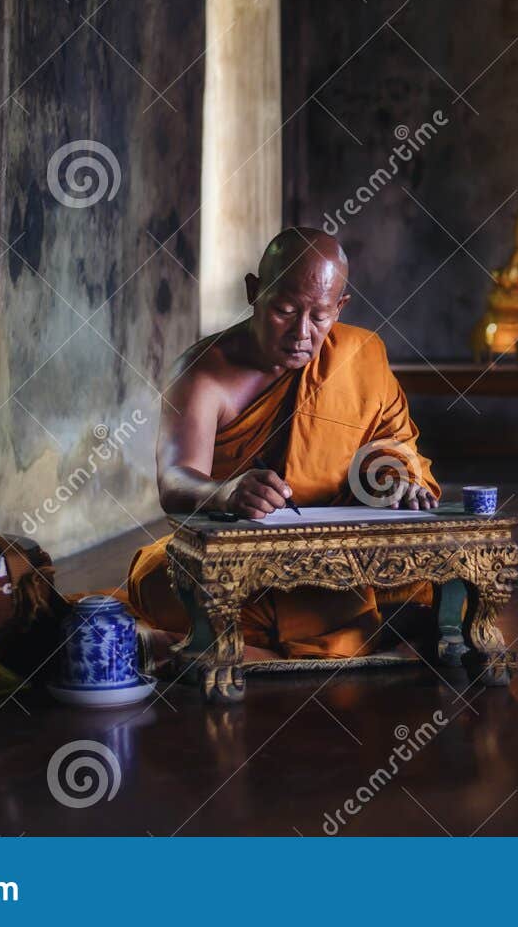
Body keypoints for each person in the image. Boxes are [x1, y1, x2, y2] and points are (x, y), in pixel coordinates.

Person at [118, 227, 440, 659]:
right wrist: (225, 492)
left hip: (336, 560)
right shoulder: (204, 372)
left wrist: (397, 482)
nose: (301, 332)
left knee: (424, 575)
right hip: (238, 561)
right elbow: (174, 480)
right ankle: (320, 645)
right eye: (285, 310)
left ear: (340, 308)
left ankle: (202, 651)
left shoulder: (360, 354)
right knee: (166, 577)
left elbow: (396, 447)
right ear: (255, 291)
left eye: (320, 316)